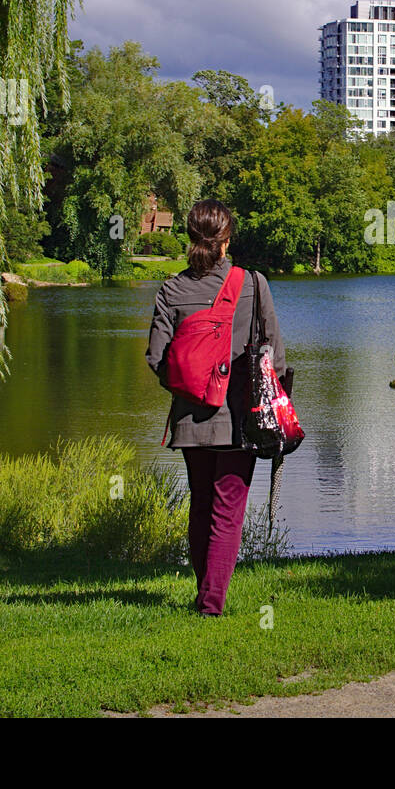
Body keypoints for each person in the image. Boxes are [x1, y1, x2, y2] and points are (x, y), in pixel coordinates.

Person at [146, 199, 285, 617]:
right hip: (239, 421)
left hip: (189, 420)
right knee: (227, 511)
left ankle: (204, 594)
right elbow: (274, 357)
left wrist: (190, 385)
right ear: (227, 240)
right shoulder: (253, 284)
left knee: (201, 504)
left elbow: (156, 358)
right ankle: (210, 604)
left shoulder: (171, 288)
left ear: (190, 237)